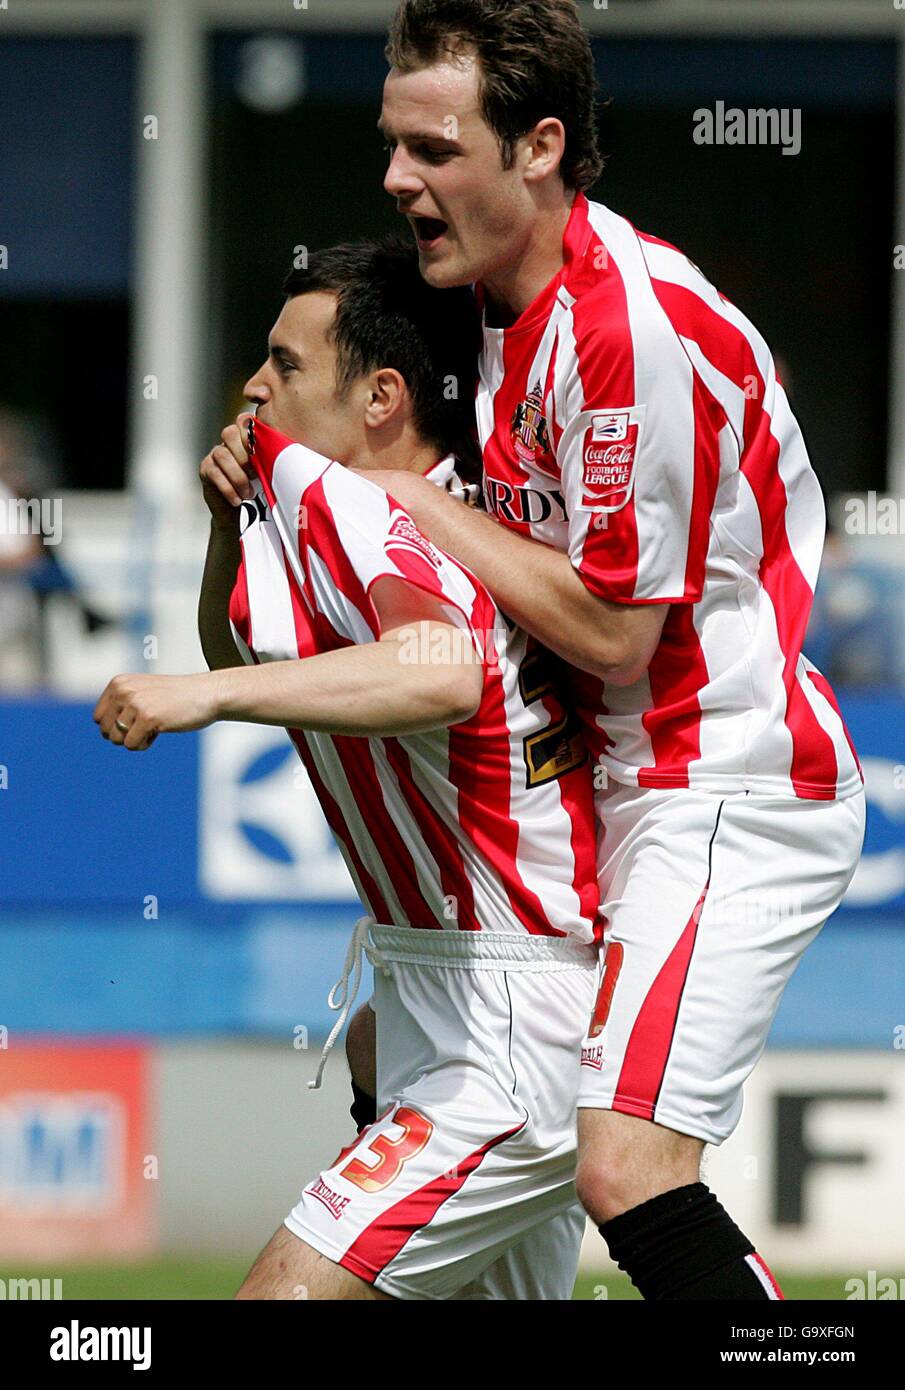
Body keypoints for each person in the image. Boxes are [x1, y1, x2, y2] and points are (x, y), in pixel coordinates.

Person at [366, 0, 867, 1299]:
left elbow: (609, 629)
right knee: (394, 1057)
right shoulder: (479, 308)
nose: (397, 178)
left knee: (626, 1165)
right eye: (393, 144)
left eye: (432, 147)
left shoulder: (623, 325)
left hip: (725, 786)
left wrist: (411, 498)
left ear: (538, 147)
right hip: (604, 790)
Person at [94, 238, 601, 1301]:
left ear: (379, 397)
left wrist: (201, 699)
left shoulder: (376, 510)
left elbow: (441, 671)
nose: (252, 386)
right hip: (467, 991)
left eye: (283, 364)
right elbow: (247, 651)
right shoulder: (397, 514)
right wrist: (225, 538)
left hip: (502, 1020)